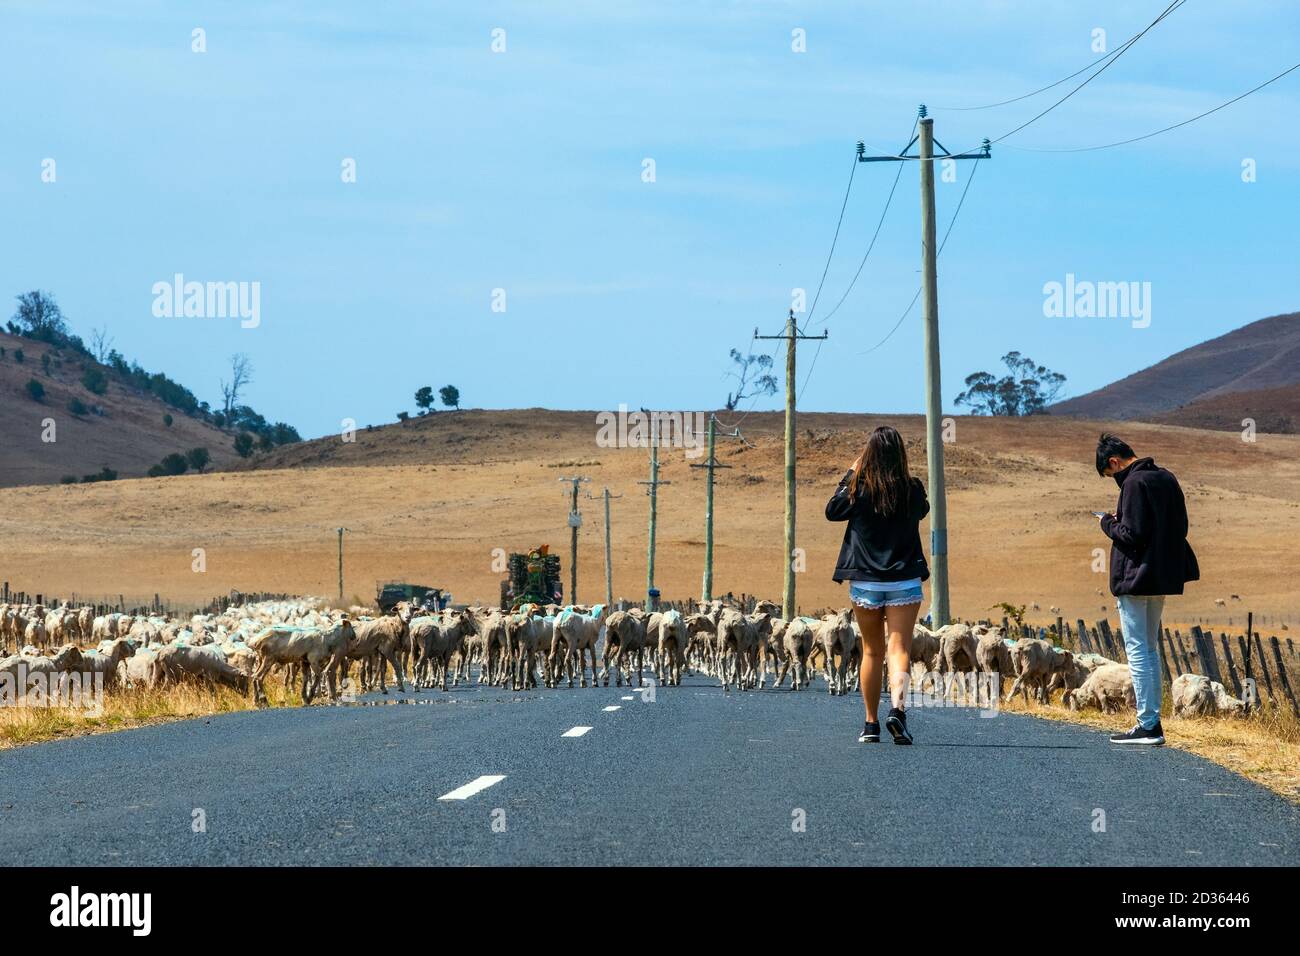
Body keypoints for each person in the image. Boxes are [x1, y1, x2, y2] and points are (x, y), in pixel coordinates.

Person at [826, 426, 930, 745]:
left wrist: (851, 473)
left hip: (866, 582)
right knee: (899, 648)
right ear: (900, 455)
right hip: (903, 580)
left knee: (871, 651)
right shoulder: (911, 489)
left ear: (868, 456)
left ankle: (870, 724)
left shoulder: (857, 490)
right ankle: (897, 710)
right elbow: (923, 510)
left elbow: (832, 511)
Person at [1095, 433, 1199, 745]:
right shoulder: (1166, 477)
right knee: (1151, 648)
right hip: (1163, 576)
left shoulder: (1133, 484)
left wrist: (1106, 523)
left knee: (1138, 649)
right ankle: (1152, 721)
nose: (1114, 479)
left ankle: (1148, 724)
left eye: (1110, 474)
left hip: (1135, 579)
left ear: (1114, 462)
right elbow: (1179, 527)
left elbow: (1133, 534)